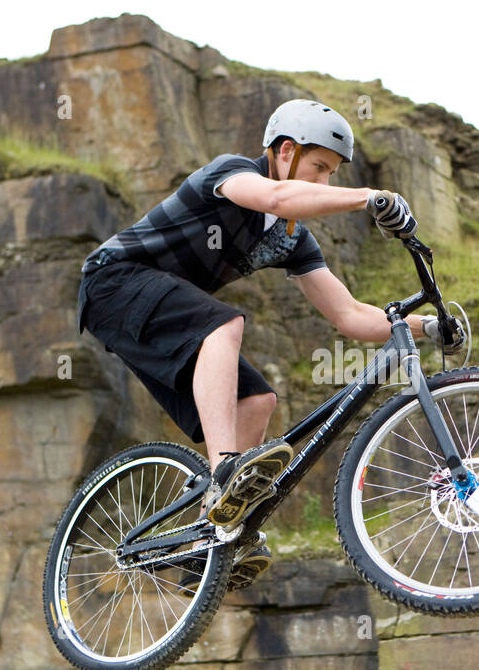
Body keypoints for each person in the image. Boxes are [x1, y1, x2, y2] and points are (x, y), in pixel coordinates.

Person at [77, 98, 456, 588]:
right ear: (284, 151)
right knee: (223, 325)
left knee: (257, 399)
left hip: (156, 307)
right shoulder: (232, 174)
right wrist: (369, 197)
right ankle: (225, 472)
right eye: (319, 168)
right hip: (114, 281)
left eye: (332, 173)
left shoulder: (291, 239)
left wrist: (428, 327)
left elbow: (349, 316)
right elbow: (277, 199)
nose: (324, 183)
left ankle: (217, 532)